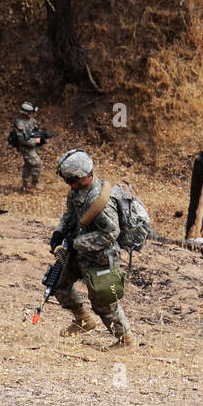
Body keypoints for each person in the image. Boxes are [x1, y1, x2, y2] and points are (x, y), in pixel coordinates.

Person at [47, 148, 136, 349]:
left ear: (81, 177)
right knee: (58, 282)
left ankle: (126, 341)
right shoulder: (77, 191)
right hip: (79, 252)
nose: (68, 184)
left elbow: (111, 233)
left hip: (101, 256)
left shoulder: (99, 201)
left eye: (69, 180)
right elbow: (70, 214)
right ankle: (83, 320)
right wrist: (59, 233)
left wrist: (77, 242)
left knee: (103, 301)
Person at [10, 101, 51, 191]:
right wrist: (36, 141)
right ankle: (34, 183)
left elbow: (35, 130)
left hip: (32, 146)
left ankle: (25, 185)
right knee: (37, 164)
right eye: (30, 113)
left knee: (28, 165)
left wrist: (42, 137)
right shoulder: (19, 123)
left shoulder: (31, 120)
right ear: (25, 113)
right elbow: (23, 139)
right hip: (25, 147)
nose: (32, 115)